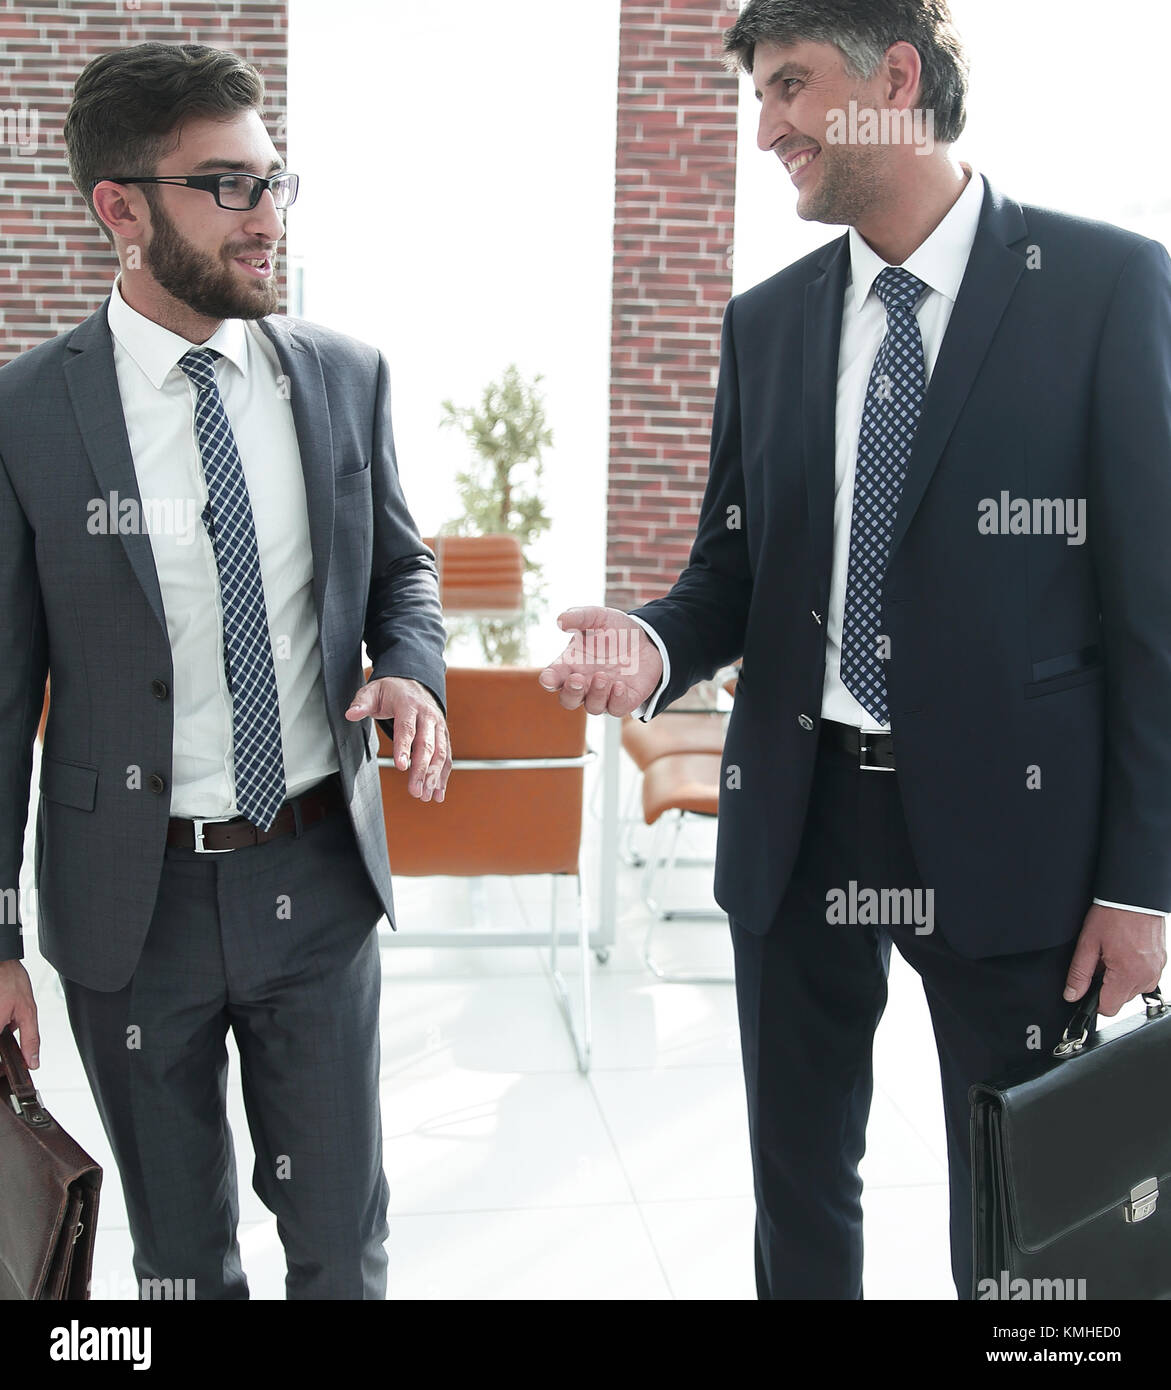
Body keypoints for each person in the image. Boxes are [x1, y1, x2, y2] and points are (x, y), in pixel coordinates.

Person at [540, 0, 1170, 1299]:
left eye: (786, 86)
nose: (763, 126)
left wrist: (1142, 880)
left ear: (893, 76)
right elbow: (729, 574)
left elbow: (1153, 610)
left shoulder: (1105, 286)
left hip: (1019, 842)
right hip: (797, 816)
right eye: (755, 94)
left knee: (1029, 1218)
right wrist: (648, 649)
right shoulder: (764, 323)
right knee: (796, 1187)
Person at [0, 41, 452, 1300]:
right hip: (129, 910)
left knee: (340, 1250)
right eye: (227, 187)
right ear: (121, 209)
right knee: (180, 1260)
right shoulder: (28, 415)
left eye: (274, 181)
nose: (266, 219)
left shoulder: (341, 376)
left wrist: (412, 669)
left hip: (315, 872)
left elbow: (402, 573)